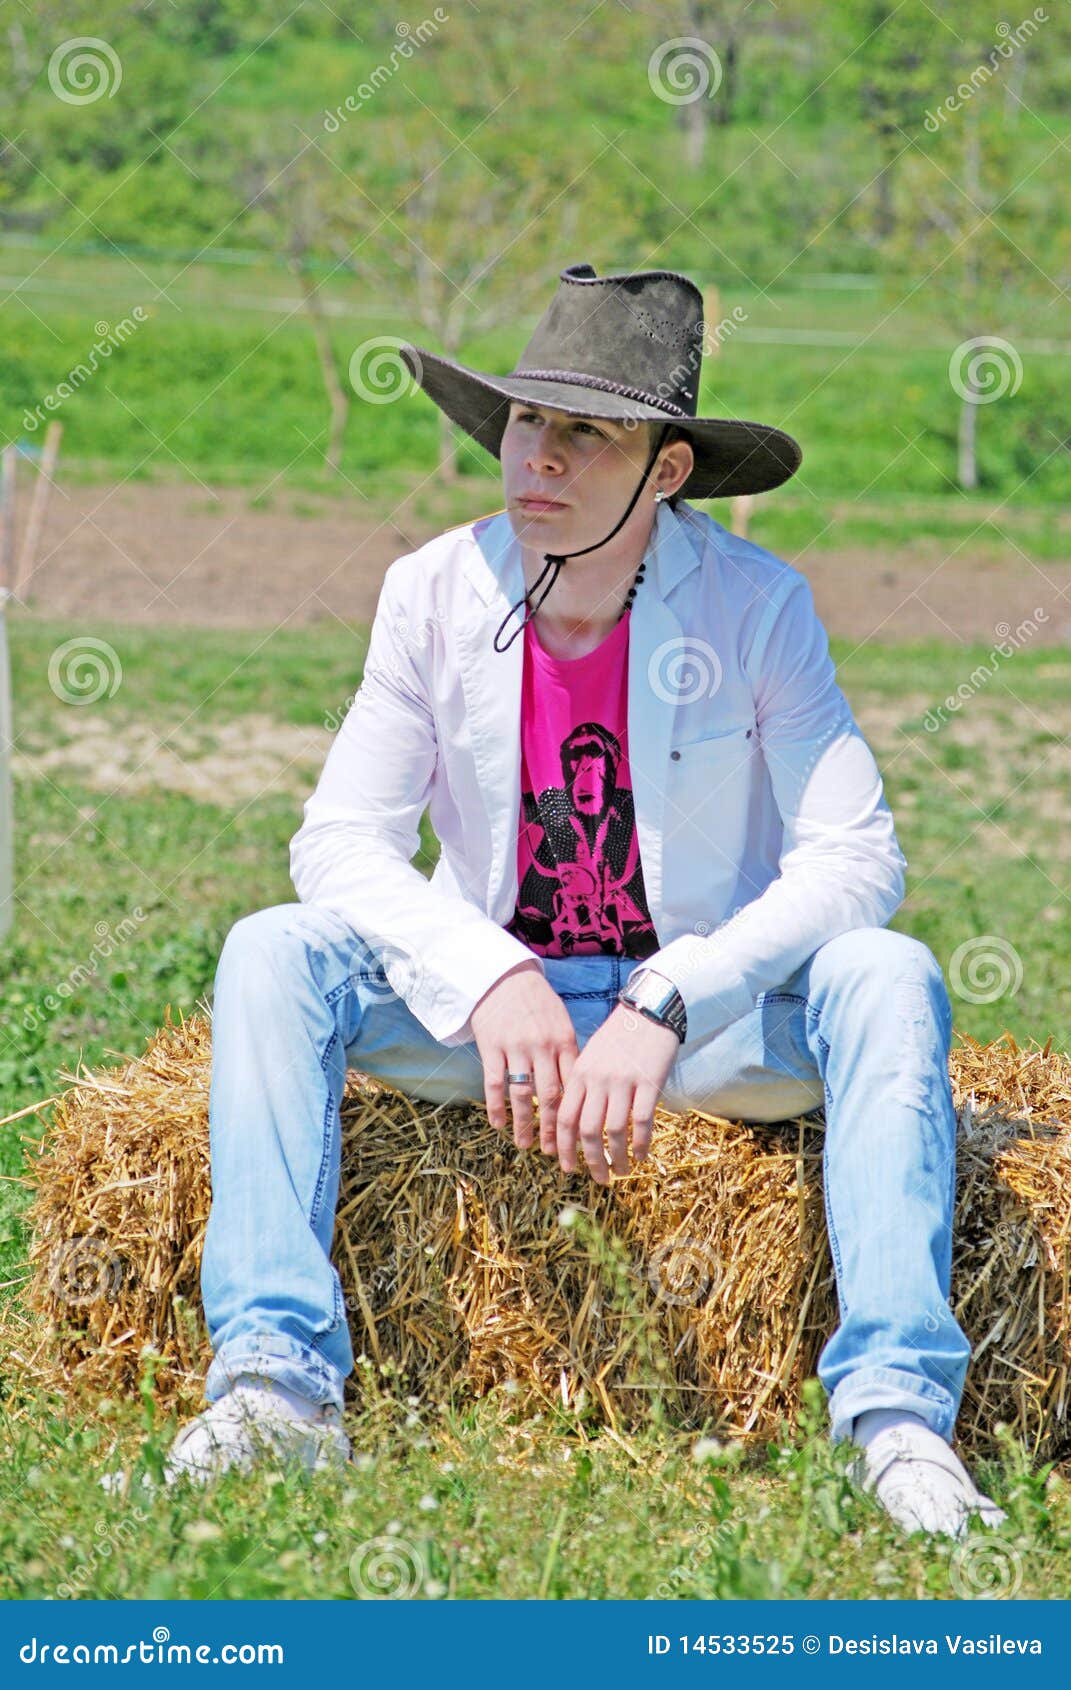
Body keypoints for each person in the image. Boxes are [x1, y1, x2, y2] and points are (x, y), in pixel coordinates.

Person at [166, 262, 1006, 1539]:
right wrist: (486, 971)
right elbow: (340, 838)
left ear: (666, 471)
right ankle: (275, 1390)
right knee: (274, 952)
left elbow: (856, 858)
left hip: (705, 1026)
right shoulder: (432, 592)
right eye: (524, 423)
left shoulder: (758, 606)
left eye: (586, 434)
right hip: (492, 1029)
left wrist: (674, 993)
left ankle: (896, 1420)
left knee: (889, 972)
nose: (538, 460)